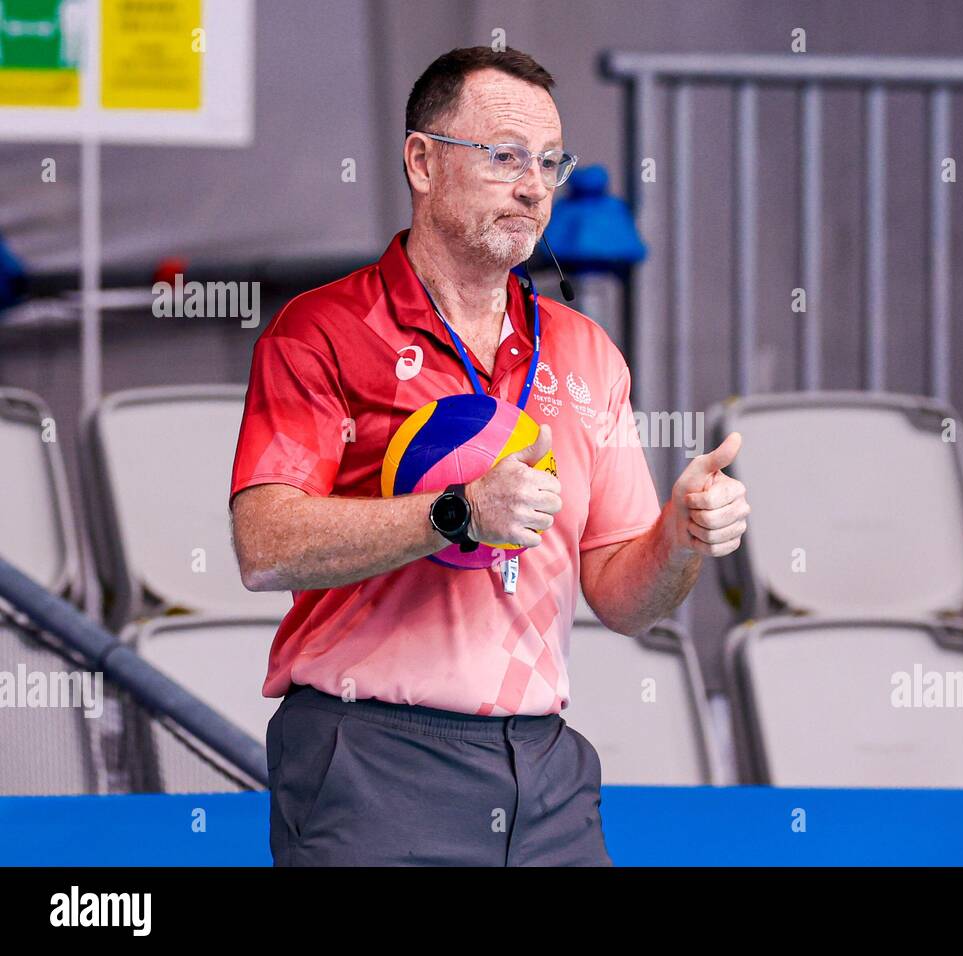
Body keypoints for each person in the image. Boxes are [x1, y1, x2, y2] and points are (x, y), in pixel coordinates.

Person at [228, 46, 749, 866]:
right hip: (369, 758)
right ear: (423, 162)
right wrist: (456, 513)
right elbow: (265, 547)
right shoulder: (322, 331)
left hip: (543, 767)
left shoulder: (585, 352)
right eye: (505, 156)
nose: (535, 186)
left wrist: (679, 538)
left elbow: (622, 598)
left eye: (549, 162)